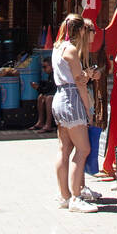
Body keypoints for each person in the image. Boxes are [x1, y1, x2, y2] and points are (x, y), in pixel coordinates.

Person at [52, 15, 98, 213]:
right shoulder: (71, 50)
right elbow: (79, 82)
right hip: (71, 99)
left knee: (64, 149)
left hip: (59, 97)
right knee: (83, 149)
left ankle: (64, 196)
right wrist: (88, 109)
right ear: (80, 31)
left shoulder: (58, 47)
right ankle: (76, 197)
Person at [31, 58, 55, 132]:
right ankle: (41, 122)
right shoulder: (50, 75)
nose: (44, 69)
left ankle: (48, 124)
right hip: (53, 93)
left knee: (48, 98)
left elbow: (51, 89)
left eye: (45, 67)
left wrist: (38, 88)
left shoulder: (55, 74)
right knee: (41, 97)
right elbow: (48, 89)